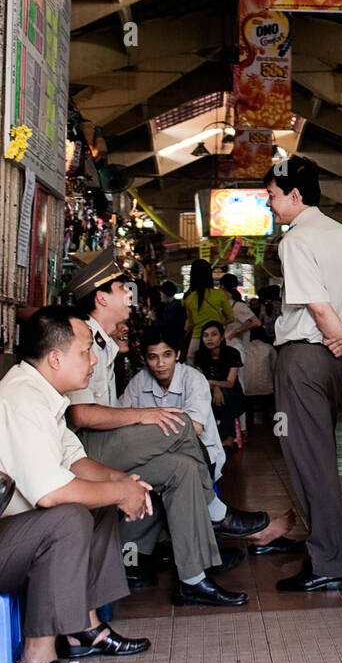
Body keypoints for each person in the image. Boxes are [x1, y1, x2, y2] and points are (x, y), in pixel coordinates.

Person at [65, 248, 266, 607]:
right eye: (121, 289)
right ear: (101, 297)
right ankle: (218, 513)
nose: (130, 295)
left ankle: (193, 579)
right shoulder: (82, 338)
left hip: (108, 443)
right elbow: (80, 416)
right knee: (179, 425)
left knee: (184, 469)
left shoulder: (105, 341)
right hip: (86, 450)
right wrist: (141, 416)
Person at [0, 308, 151, 663]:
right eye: (85, 351)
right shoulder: (22, 400)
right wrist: (119, 491)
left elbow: (76, 461)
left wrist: (124, 484)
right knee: (68, 517)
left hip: (15, 535)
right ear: (55, 358)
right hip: (7, 539)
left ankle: (84, 627)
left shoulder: (46, 395)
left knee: (97, 502)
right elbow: (51, 493)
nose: (94, 359)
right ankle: (36, 662)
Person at [264, 157, 342, 593]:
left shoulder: (296, 241)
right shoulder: (341, 234)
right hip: (333, 363)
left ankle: (328, 562)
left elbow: (316, 307)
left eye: (273, 197)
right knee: (320, 457)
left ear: (295, 195)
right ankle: (322, 547)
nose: (270, 206)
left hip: (307, 362)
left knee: (311, 465)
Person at [120, 328, 226, 484]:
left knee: (182, 471)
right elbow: (121, 420)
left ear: (177, 354)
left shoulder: (193, 379)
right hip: (154, 456)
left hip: (198, 454)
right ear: (144, 359)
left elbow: (194, 427)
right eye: (153, 357)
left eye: (167, 355)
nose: (160, 364)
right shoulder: (139, 381)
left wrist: (141, 422)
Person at [195, 321, 246, 447]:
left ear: (222, 337)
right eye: (205, 335)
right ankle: (208, 436)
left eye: (213, 335)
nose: (209, 339)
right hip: (210, 397)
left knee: (225, 394)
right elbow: (199, 383)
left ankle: (228, 438)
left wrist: (213, 384)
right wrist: (215, 387)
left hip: (234, 398)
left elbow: (230, 383)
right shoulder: (199, 356)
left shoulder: (232, 353)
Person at [182, 259, 234, 359]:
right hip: (216, 339)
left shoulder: (189, 299)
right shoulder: (219, 294)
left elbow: (190, 324)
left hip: (197, 339)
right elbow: (231, 318)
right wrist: (217, 323)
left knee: (191, 363)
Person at [152, 281, 186, 348]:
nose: (161, 297)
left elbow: (164, 324)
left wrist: (154, 318)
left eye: (161, 294)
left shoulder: (173, 307)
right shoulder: (174, 304)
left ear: (165, 294)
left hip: (174, 340)